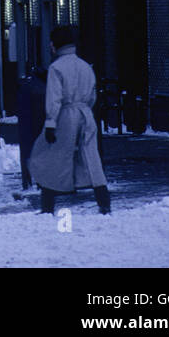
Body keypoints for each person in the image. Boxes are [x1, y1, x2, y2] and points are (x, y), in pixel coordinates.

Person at [28, 26, 111, 215]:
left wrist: (51, 123)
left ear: (54, 45)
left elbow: (54, 98)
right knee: (91, 156)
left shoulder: (56, 67)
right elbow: (92, 96)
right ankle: (103, 200)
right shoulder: (85, 66)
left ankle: (47, 204)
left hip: (65, 115)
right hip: (85, 114)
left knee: (50, 156)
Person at [15, 66, 48, 191]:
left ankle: (27, 182)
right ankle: (41, 183)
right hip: (40, 123)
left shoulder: (26, 86)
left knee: (26, 153)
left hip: (25, 123)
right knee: (42, 153)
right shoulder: (45, 88)